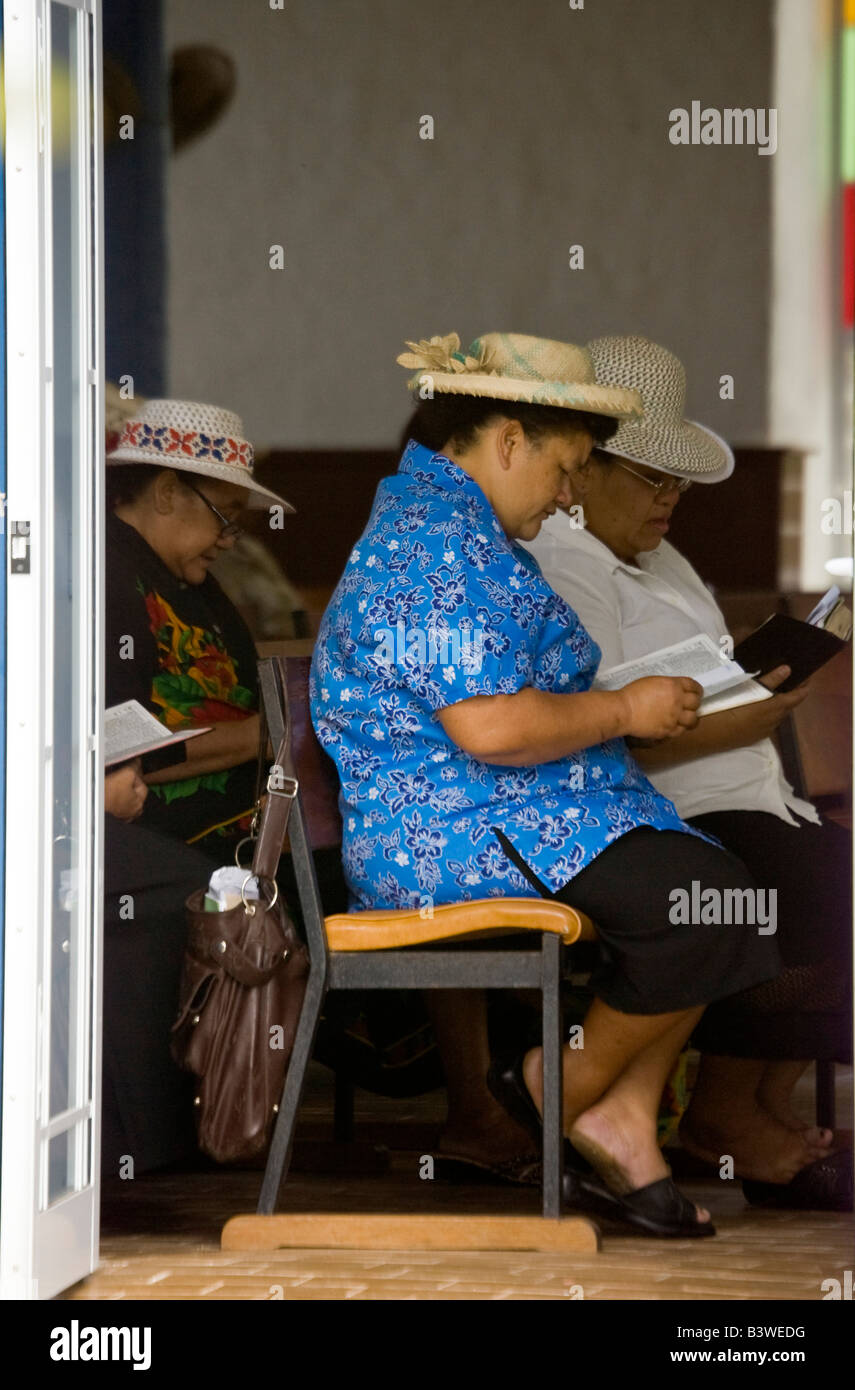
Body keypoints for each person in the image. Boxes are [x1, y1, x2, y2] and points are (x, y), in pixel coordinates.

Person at [309, 331, 786, 1237]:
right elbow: (490, 727)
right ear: (508, 442)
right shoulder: (431, 548)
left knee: (725, 902)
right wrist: (627, 711)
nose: (569, 493)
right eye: (565, 469)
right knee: (709, 904)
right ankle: (560, 1084)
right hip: (449, 835)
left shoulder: (456, 526)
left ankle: (613, 1113)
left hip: (520, 814)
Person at [525, 334, 851, 1210]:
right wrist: (742, 716)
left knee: (825, 893)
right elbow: (591, 732)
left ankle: (748, 1109)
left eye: (679, 483)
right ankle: (714, 1119)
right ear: (582, 469)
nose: (670, 498)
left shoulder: (657, 556)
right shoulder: (560, 564)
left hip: (749, 799)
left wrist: (754, 686)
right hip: (669, 815)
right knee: (799, 903)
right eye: (650, 478)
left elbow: (695, 673)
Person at [102, 398, 295, 1173]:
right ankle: (179, 1133)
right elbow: (125, 750)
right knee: (214, 891)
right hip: (160, 825)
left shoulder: (190, 579)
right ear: (168, 491)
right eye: (224, 515)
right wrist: (268, 740)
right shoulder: (116, 572)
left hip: (231, 816)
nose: (228, 537)